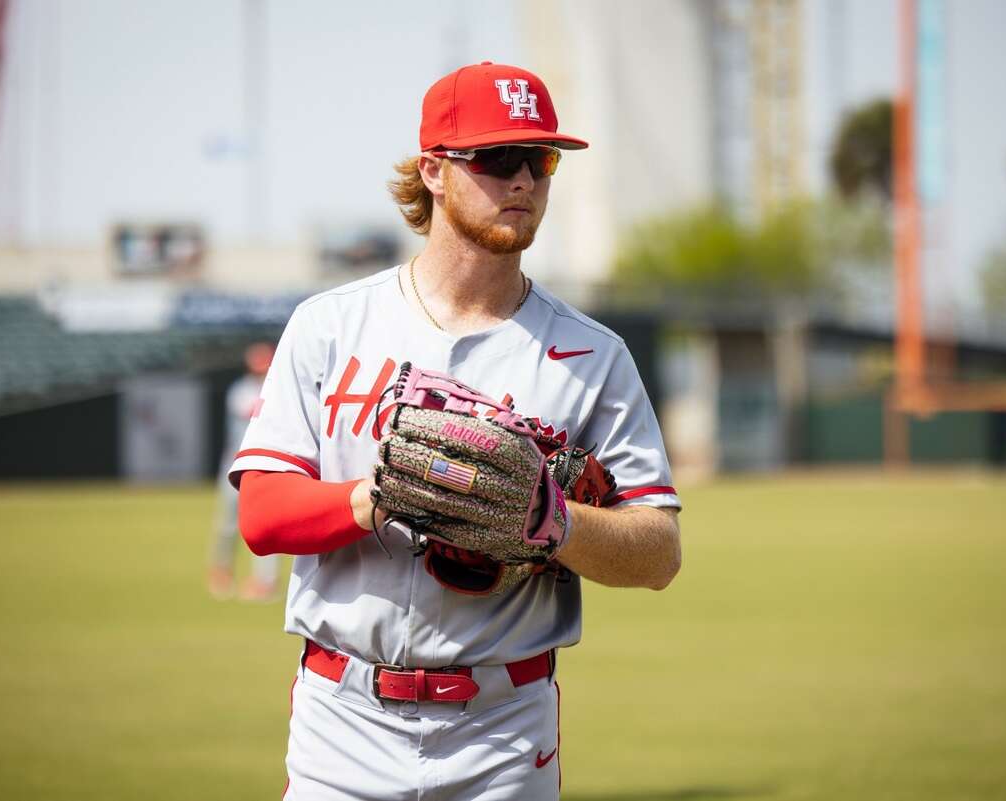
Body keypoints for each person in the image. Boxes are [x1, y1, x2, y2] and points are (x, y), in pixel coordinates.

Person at [230, 61, 681, 800]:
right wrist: (379, 496)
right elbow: (260, 515)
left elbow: (659, 552)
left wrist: (553, 520)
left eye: (540, 160)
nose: (525, 182)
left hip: (503, 732)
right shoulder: (331, 324)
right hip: (342, 721)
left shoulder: (593, 354)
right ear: (434, 171)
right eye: (499, 159)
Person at [207, 341, 280, 601]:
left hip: (264, 464)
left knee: (265, 522)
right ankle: (221, 571)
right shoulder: (241, 389)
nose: (262, 370)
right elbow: (250, 411)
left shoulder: (279, 389)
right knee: (228, 523)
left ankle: (265, 581)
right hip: (235, 461)